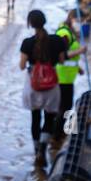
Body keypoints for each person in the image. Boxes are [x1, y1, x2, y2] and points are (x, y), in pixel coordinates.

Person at [20, 9, 67, 166]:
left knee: (35, 118)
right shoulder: (57, 40)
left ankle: (36, 151)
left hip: (33, 86)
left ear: (30, 24)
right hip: (51, 87)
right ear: (44, 21)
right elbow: (61, 61)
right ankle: (43, 149)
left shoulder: (27, 43)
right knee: (49, 119)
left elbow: (21, 66)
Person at [53, 9, 86, 142]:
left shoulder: (68, 32)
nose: (81, 23)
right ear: (72, 18)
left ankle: (60, 133)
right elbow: (60, 56)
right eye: (79, 20)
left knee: (66, 105)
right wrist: (81, 50)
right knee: (64, 106)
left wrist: (78, 68)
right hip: (62, 78)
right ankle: (58, 135)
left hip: (67, 77)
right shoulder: (64, 33)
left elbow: (69, 55)